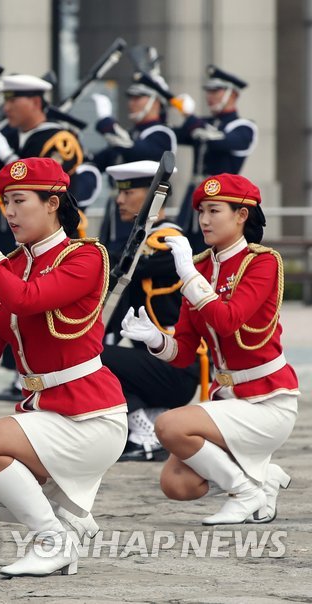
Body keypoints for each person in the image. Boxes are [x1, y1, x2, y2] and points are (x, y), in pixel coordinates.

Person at [0, 157, 126, 576]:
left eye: (19, 200)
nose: (9, 212)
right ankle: (65, 517)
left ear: (53, 203)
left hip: (90, 416)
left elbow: (27, 299)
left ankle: (52, 538)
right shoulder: (10, 268)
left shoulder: (85, 257)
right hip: (44, 413)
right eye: (4, 202)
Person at [121, 173, 298, 525]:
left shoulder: (261, 262)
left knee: (170, 426)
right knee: (177, 484)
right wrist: (154, 339)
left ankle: (245, 491)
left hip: (267, 401)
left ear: (241, 215)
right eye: (201, 210)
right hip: (228, 400)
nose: (203, 220)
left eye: (214, 210)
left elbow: (229, 320)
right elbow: (185, 352)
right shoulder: (201, 267)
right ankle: (262, 479)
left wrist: (188, 275)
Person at [0, 74, 92, 402]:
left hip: (57, 240)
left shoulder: (58, 139)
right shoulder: (14, 136)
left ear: (36, 102)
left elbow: (54, 189)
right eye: (7, 99)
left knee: (38, 303)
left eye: (15, 99)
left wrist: (6, 159)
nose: (8, 107)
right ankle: (23, 371)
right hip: (16, 233)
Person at [99, 161, 201, 462]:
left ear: (154, 196)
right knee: (91, 352)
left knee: (94, 356)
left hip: (177, 364)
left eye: (129, 192)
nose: (120, 199)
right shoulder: (142, 239)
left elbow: (127, 267)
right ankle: (150, 416)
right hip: (154, 360)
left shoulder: (169, 241)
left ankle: (144, 432)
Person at [89, 69, 178, 260]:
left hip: (139, 208)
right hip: (118, 209)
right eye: (131, 98)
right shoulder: (132, 134)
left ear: (155, 101)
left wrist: (107, 123)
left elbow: (136, 150)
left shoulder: (161, 133)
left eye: (139, 97)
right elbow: (100, 160)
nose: (132, 102)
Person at [173, 66, 258, 251]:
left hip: (222, 198)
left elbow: (218, 141)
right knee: (184, 246)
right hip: (194, 196)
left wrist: (189, 117)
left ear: (232, 94)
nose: (210, 96)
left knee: (210, 250)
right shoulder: (206, 123)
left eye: (216, 91)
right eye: (208, 91)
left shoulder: (244, 127)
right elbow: (172, 135)